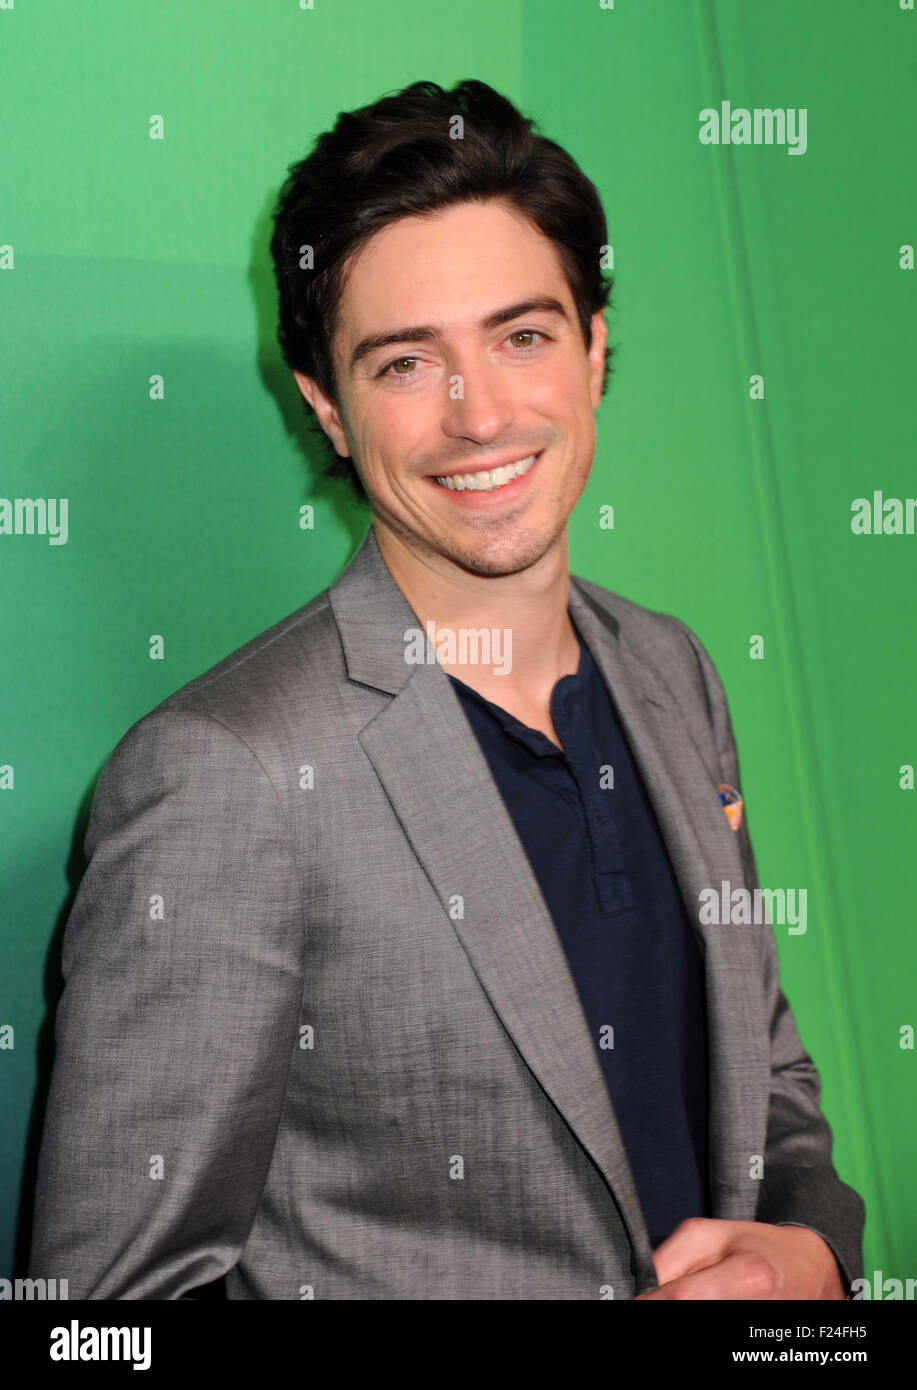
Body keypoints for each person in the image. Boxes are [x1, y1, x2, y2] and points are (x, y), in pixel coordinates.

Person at [28, 79, 864, 1300]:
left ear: (590, 352)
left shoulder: (669, 670)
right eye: (407, 362)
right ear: (326, 407)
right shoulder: (222, 774)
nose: (478, 417)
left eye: (521, 337)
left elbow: (768, 1080)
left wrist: (815, 1264)